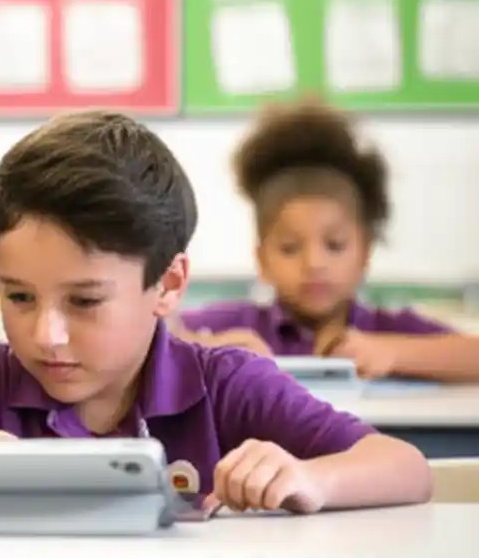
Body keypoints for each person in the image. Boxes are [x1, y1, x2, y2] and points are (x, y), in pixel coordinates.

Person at [0, 111, 431, 515]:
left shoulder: (224, 385)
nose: (47, 335)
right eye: (19, 297)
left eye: (84, 301)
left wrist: (311, 477)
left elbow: (405, 466)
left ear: (168, 284)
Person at [178, 99, 479, 382]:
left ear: (365, 253)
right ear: (262, 260)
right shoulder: (241, 324)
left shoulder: (387, 329)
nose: (314, 263)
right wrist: (209, 347)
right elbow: (158, 335)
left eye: (335, 245)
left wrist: (392, 353)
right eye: (289, 248)